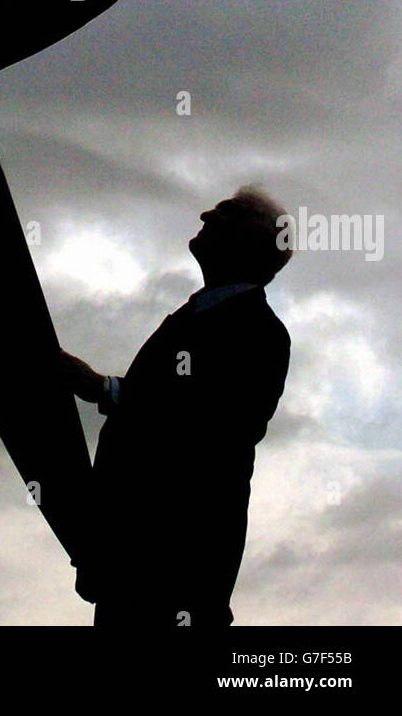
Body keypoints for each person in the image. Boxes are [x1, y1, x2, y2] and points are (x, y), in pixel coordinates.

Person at [61, 185, 292, 627]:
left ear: (253, 239)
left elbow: (208, 428)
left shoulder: (261, 333)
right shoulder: (196, 316)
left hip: (174, 573)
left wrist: (104, 389)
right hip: (133, 568)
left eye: (227, 212)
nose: (206, 214)